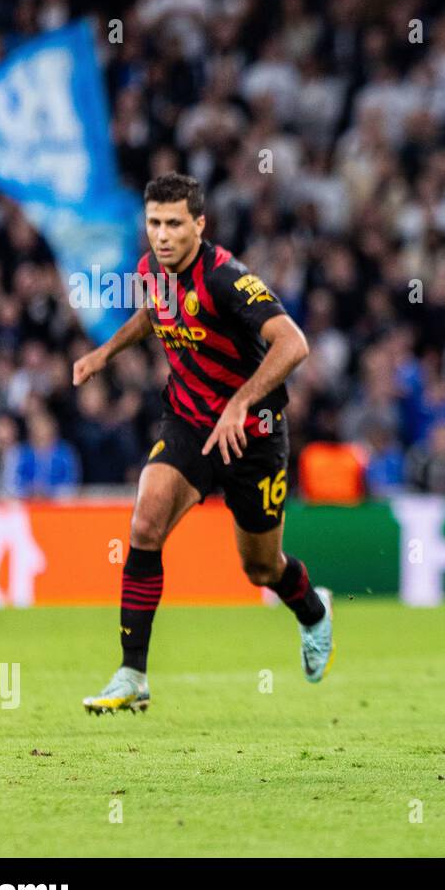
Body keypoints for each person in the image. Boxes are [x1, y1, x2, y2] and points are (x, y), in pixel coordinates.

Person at [72, 172, 333, 714]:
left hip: (252, 437)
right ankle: (132, 674)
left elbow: (294, 342)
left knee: (260, 568)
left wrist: (242, 401)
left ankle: (311, 610)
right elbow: (154, 315)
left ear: (199, 224)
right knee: (145, 523)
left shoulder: (228, 279)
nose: (162, 235)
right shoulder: (150, 269)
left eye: (173, 224)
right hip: (189, 424)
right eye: (154, 223)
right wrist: (106, 353)